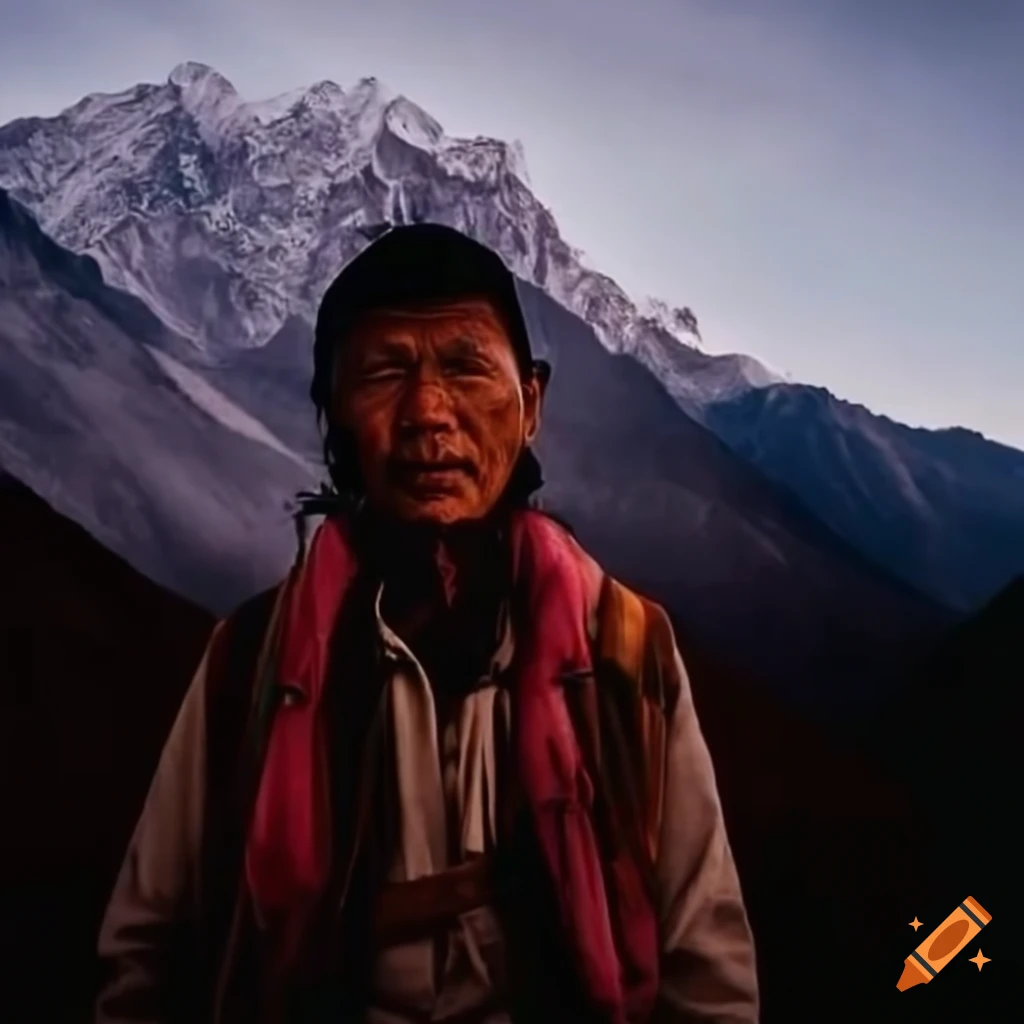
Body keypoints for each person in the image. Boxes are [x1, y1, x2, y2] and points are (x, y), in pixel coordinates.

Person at [95, 223, 758, 1023]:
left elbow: (705, 962)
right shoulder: (252, 662)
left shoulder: (625, 647)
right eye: (383, 373)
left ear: (532, 404)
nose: (428, 413)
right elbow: (149, 952)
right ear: (334, 415)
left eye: (467, 366)